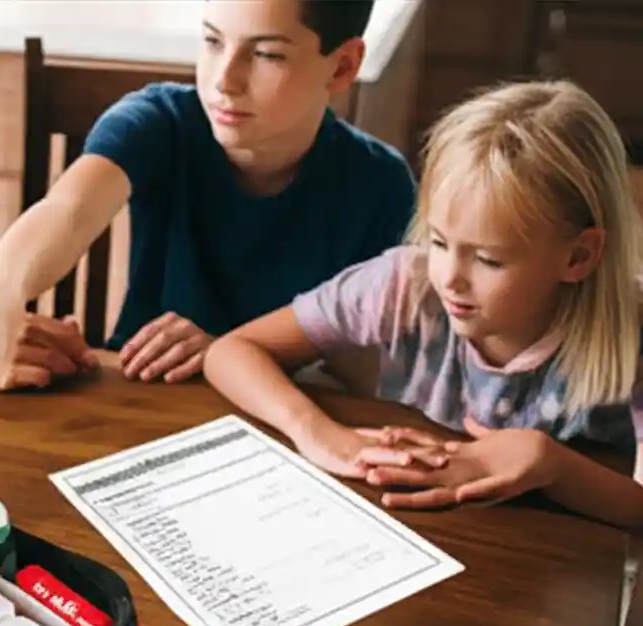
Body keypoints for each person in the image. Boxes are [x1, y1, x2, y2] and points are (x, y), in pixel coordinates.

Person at [0, 0, 415, 421]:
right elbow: (67, 209)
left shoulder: (381, 186)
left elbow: (366, 377)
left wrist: (229, 354)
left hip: (284, 431)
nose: (224, 80)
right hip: (134, 401)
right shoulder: (159, 121)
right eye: (213, 42)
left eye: (266, 55)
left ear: (343, 66)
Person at [203, 80, 643, 527]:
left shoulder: (633, 333)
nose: (449, 277)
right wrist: (312, 430)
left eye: (488, 260)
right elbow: (231, 352)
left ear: (579, 256)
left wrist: (550, 463)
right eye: (438, 241)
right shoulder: (404, 283)